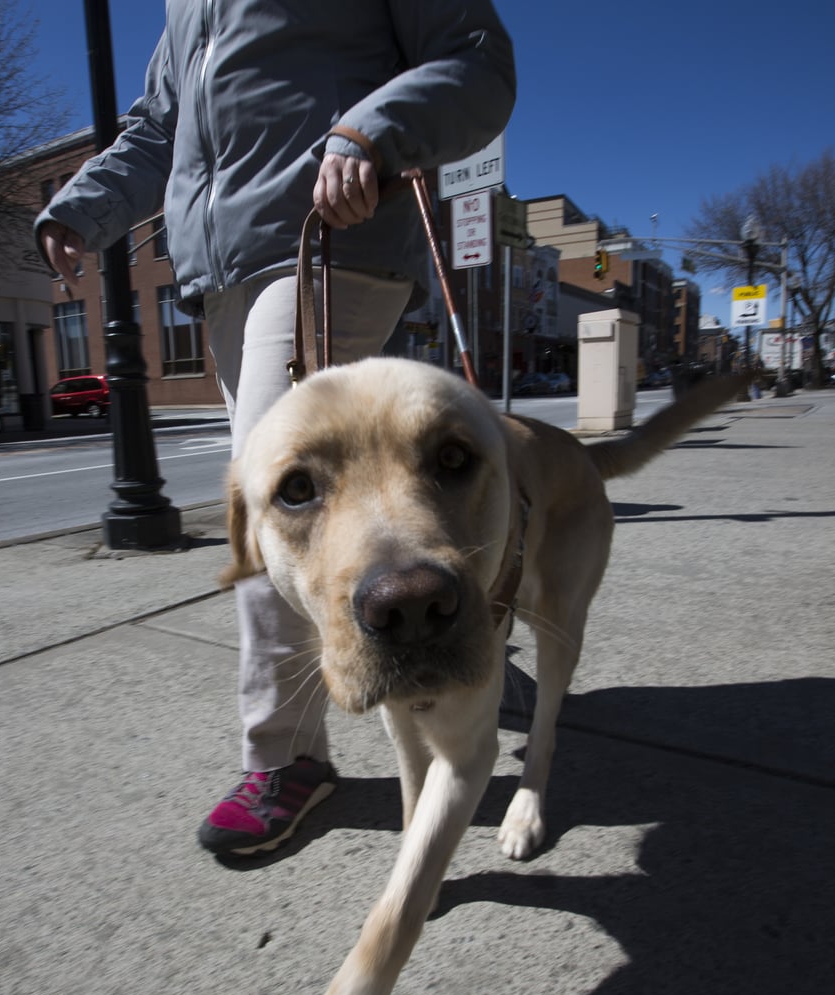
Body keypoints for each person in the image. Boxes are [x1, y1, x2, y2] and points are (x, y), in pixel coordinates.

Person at [35, 2, 515, 856]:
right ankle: (443, 628)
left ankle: (286, 754)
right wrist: (85, 205)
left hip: (330, 234)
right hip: (218, 271)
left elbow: (475, 59)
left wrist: (372, 131)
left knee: (279, 500)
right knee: (311, 498)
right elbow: (159, 125)